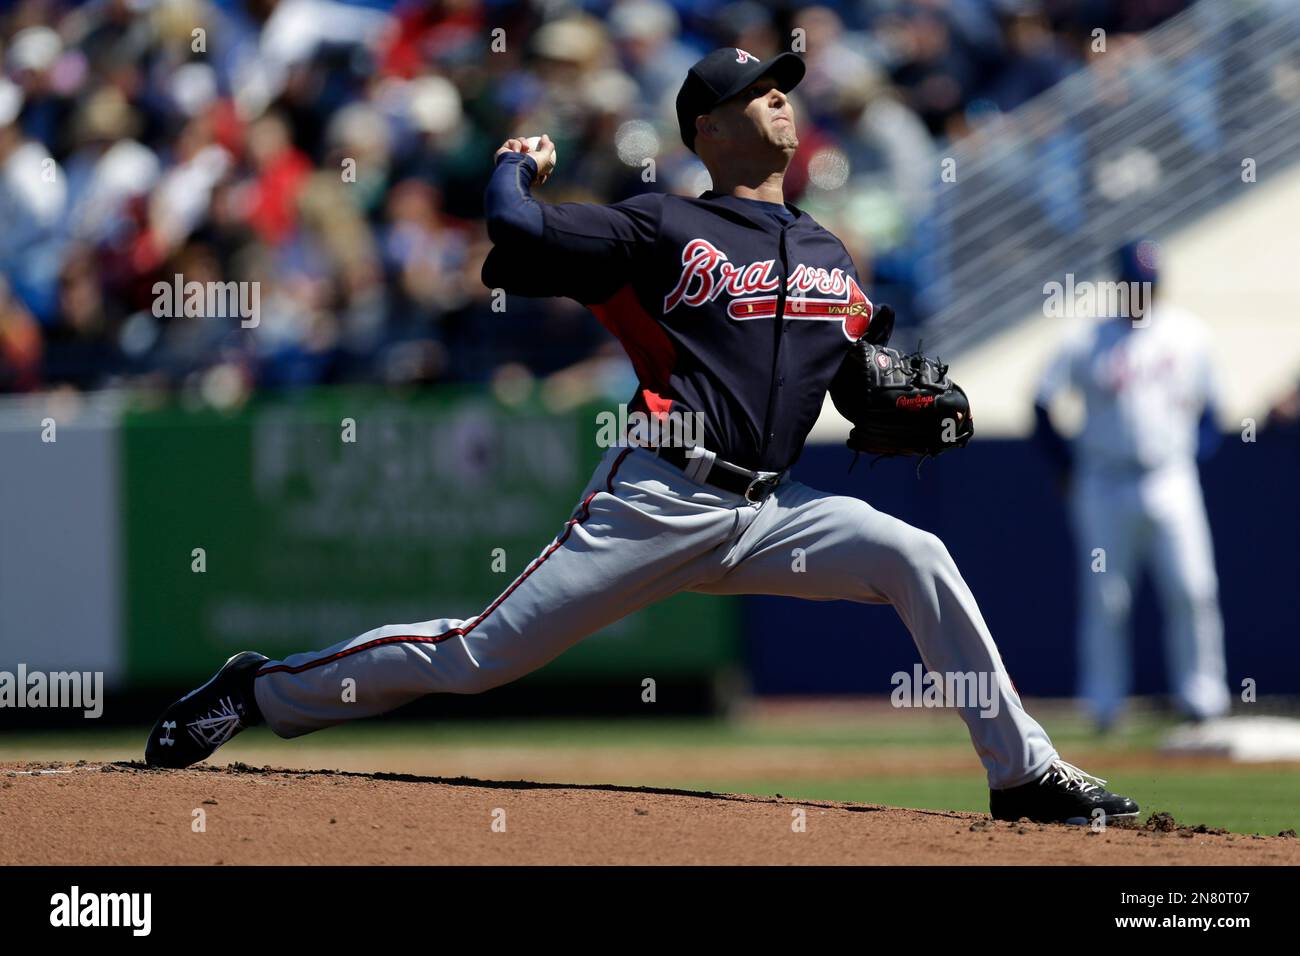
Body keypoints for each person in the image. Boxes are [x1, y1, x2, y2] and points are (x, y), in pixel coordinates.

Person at [146, 48, 1138, 825]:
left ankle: (1023, 773)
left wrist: (886, 393)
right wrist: (511, 164)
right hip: (658, 496)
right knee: (476, 654)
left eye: (786, 89)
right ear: (708, 126)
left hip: (767, 510)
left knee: (912, 552)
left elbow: (849, 384)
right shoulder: (658, 225)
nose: (781, 102)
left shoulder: (832, 250)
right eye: (758, 92)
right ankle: (263, 686)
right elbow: (517, 235)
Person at [1034, 239, 1230, 733]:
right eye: (1133, 286)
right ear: (1118, 288)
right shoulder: (1087, 339)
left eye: (1148, 286)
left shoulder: (1188, 335)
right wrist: (1066, 469)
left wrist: (1189, 453)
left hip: (1170, 477)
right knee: (1107, 597)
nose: (1142, 295)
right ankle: (1105, 704)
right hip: (1103, 480)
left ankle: (1203, 698)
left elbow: (1213, 412)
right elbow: (1041, 404)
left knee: (1193, 587)